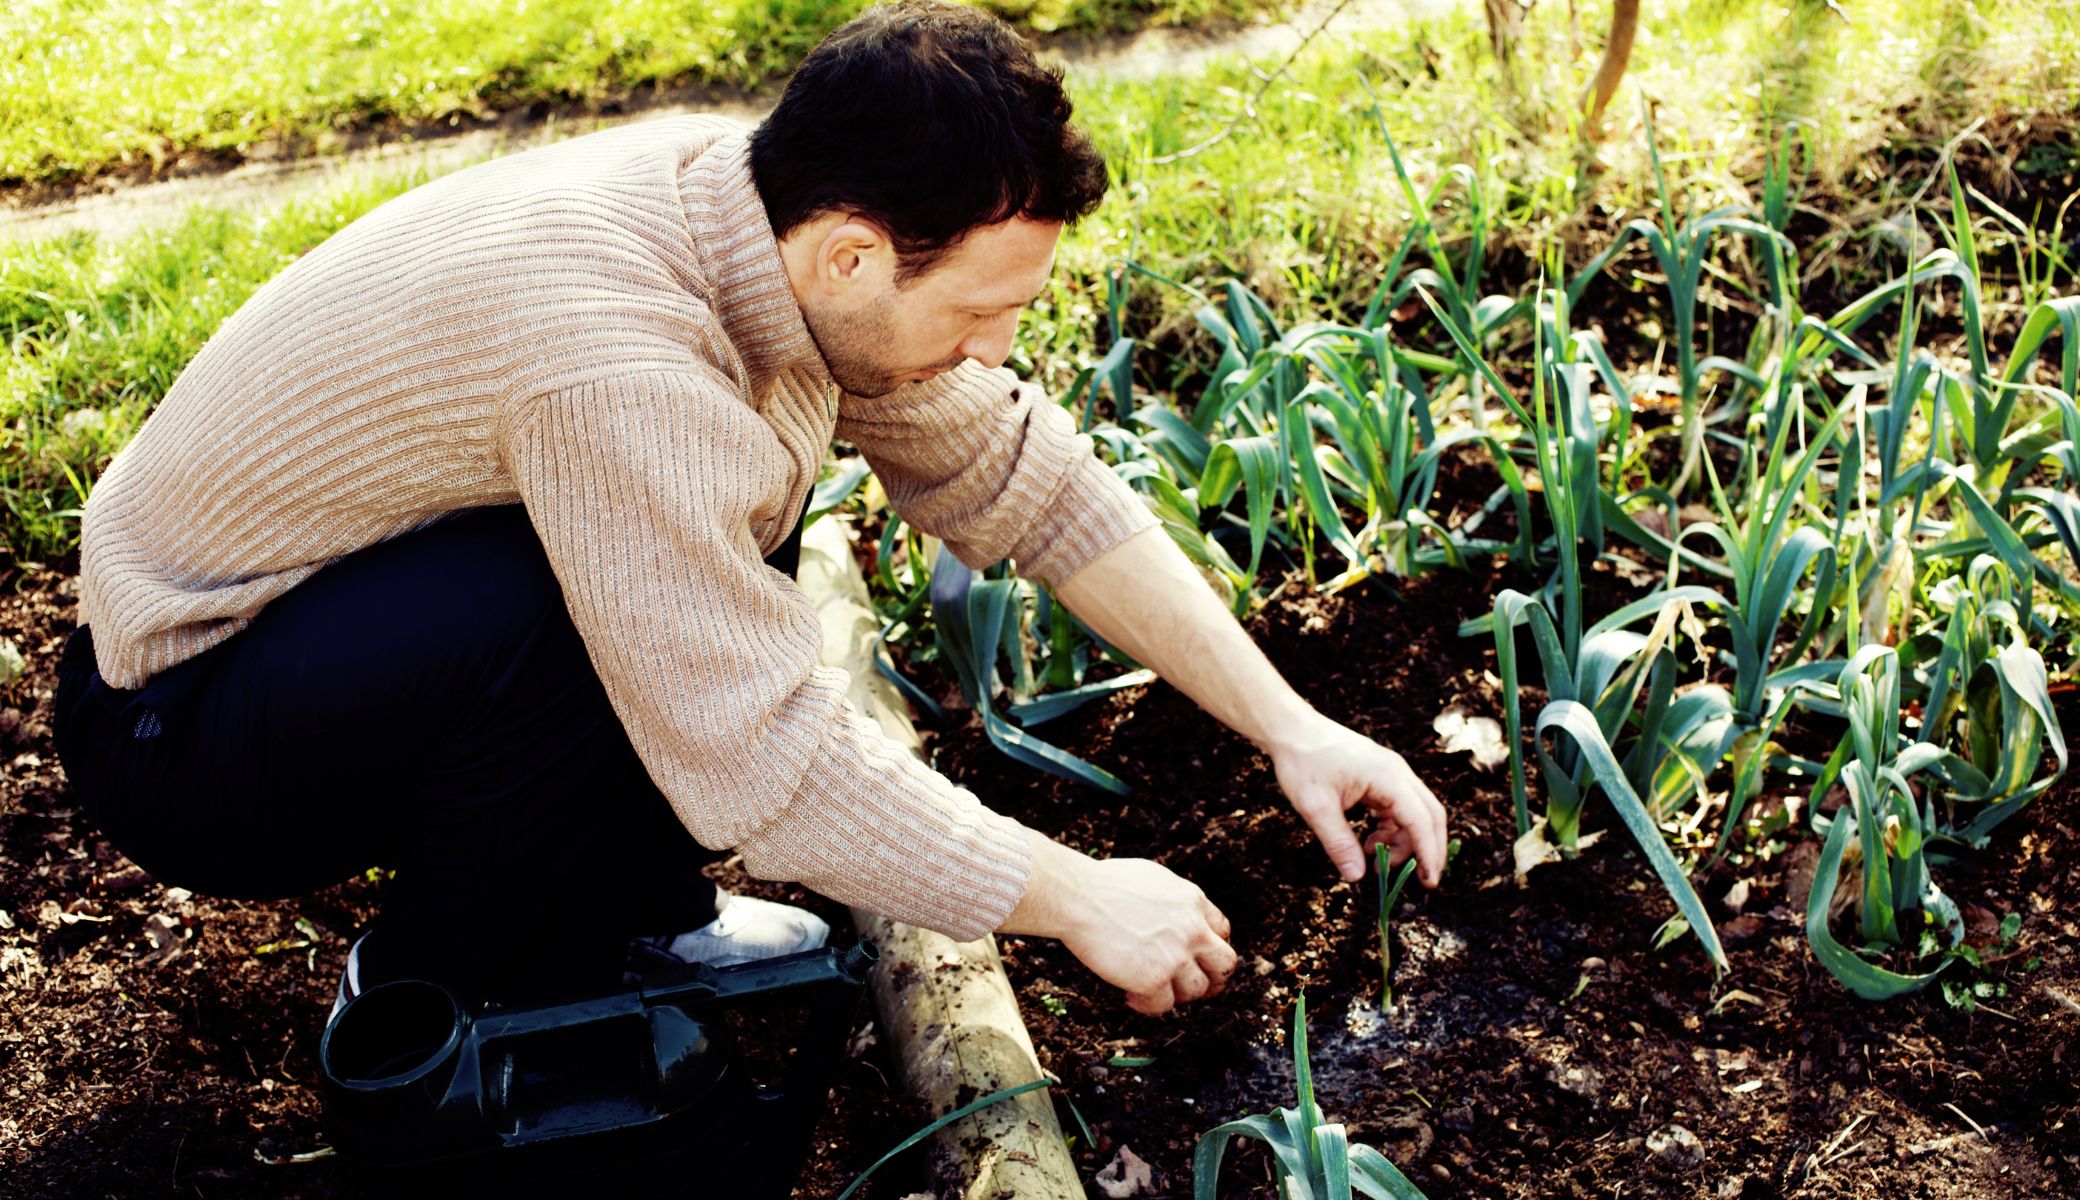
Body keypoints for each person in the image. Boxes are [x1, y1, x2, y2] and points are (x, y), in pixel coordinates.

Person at [53, 0, 1447, 1026]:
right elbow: (764, 758)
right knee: (589, 600)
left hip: (323, 637)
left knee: (693, 529)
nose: (998, 353)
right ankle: (430, 1000)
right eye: (983, 312)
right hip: (185, 727)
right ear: (853, 252)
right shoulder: (624, 363)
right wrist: (1081, 899)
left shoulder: (759, 220)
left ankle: (613, 921)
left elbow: (1030, 484)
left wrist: (1293, 727)